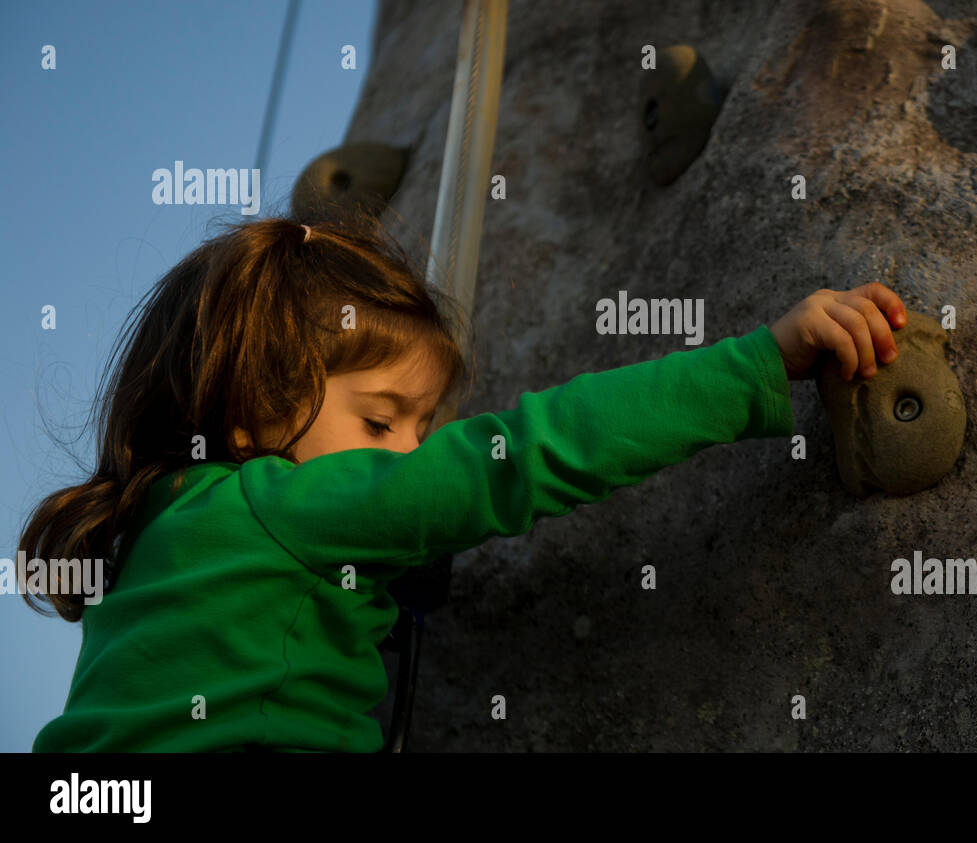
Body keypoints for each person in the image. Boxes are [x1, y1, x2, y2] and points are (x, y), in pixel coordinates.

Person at [21, 215, 905, 751]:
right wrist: (758, 360)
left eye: (422, 427)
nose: (408, 454)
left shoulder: (154, 534)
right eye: (380, 420)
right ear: (251, 409)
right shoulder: (278, 504)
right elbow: (529, 453)